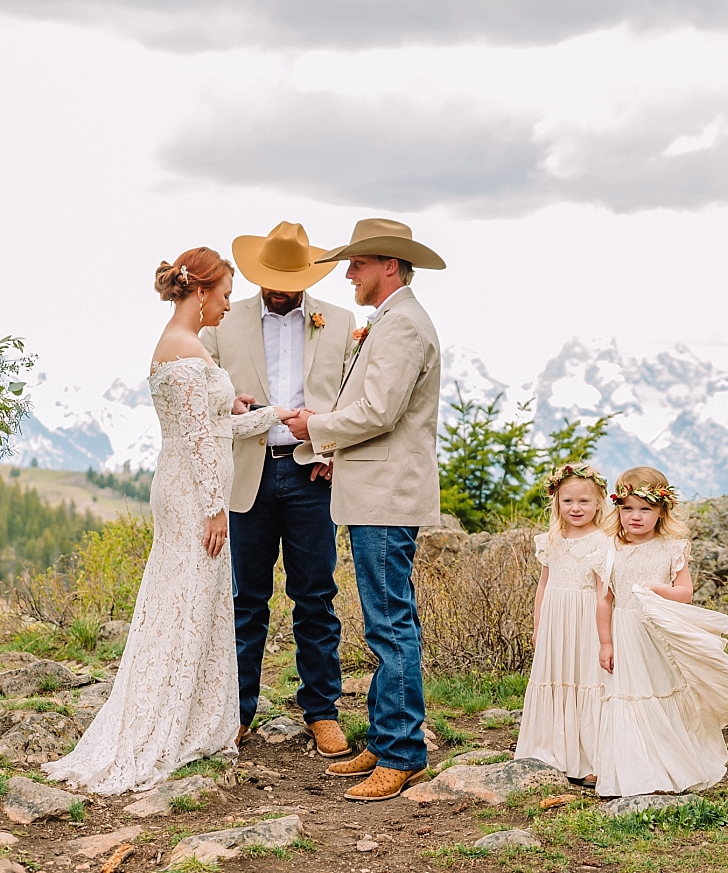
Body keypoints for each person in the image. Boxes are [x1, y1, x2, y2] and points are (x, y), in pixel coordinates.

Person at [43, 247, 294, 794]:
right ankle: (161, 724)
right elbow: (201, 441)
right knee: (183, 601)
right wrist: (213, 509)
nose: (229, 305)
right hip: (191, 497)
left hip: (187, 487)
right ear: (200, 292)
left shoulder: (185, 348)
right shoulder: (183, 351)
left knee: (195, 601)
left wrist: (269, 415)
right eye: (225, 295)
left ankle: (197, 720)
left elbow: (212, 427)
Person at [286, 218, 446, 802]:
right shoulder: (391, 321)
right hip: (374, 490)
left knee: (389, 624)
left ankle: (403, 752)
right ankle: (385, 739)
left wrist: (315, 427)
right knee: (387, 618)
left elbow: (378, 411)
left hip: (386, 496)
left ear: (388, 266)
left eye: (356, 263)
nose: (347, 273)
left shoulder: (402, 325)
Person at [199, 222, 356, 758]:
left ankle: (322, 711)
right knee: (246, 600)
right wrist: (231, 405)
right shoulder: (223, 322)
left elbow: (353, 397)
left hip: (312, 472)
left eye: (288, 280)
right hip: (248, 471)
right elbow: (198, 392)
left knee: (316, 597)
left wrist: (333, 449)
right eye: (270, 278)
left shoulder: (340, 321)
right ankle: (236, 713)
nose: (278, 289)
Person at [587, 465, 728, 798]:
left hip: (657, 631)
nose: (635, 517)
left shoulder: (671, 548)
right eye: (627, 508)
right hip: (625, 632)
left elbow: (684, 593)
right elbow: (604, 600)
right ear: (617, 508)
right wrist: (606, 642)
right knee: (628, 695)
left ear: (662, 511)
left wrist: (656, 589)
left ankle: (671, 764)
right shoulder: (609, 550)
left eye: (645, 509)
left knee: (661, 691)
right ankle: (632, 773)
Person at [514, 464, 616, 786]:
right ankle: (550, 753)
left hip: (586, 620)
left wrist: (606, 638)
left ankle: (589, 760)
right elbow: (543, 585)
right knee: (554, 679)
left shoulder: (602, 541)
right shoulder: (551, 540)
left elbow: (605, 591)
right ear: (556, 502)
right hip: (556, 621)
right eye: (568, 501)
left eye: (584, 502)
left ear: (599, 503)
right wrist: (538, 625)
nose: (576, 508)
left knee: (586, 681)